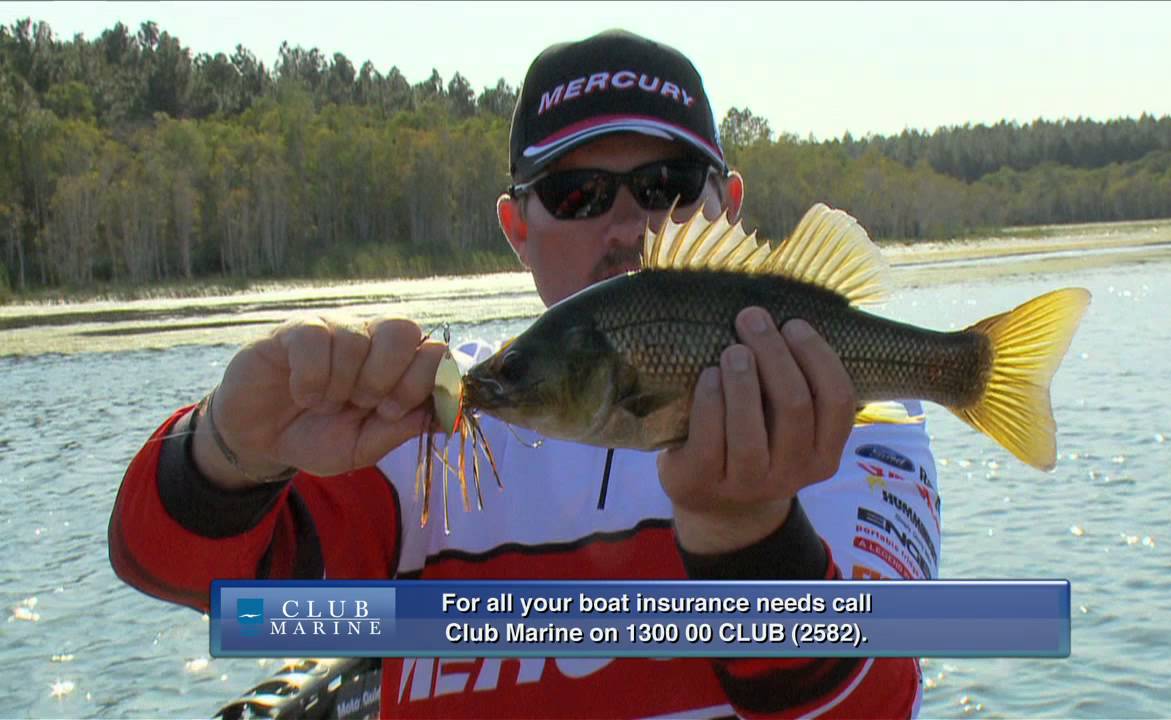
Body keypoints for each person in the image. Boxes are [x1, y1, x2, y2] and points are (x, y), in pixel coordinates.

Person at [110, 29, 941, 718]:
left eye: (667, 185)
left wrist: (748, 537)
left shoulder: (832, 415)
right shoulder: (424, 419)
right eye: (577, 193)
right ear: (517, 227)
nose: (627, 225)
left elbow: (876, 701)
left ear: (727, 204)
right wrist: (229, 452)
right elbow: (184, 577)